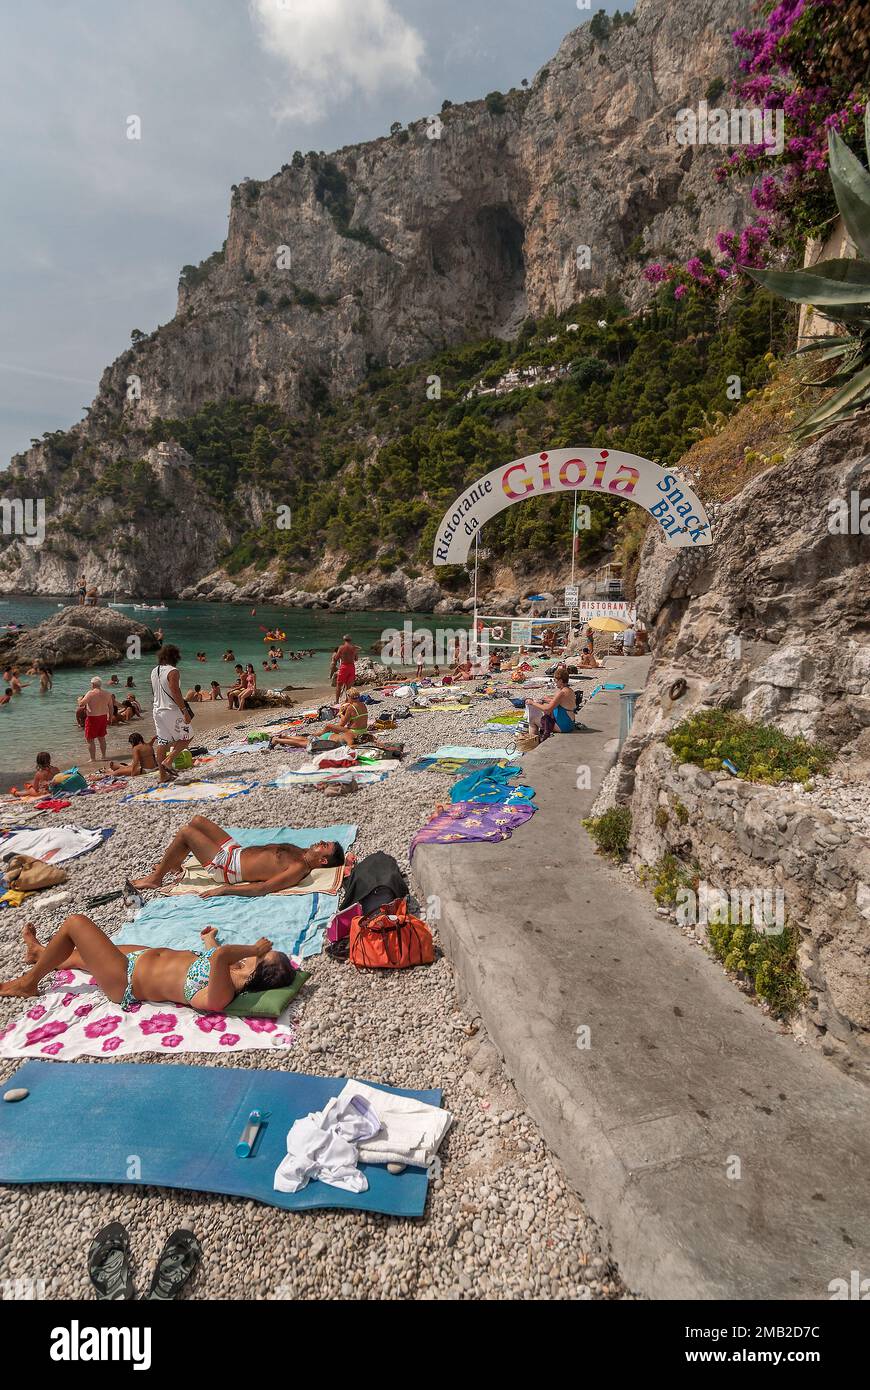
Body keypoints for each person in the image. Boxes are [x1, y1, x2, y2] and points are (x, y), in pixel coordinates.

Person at [0, 919, 294, 1017]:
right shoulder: (230, 966)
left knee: (76, 924)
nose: (257, 951)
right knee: (79, 956)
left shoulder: (222, 995)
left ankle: (28, 983)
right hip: (137, 960)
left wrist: (253, 949)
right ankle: (39, 953)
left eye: (263, 955)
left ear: (257, 973)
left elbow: (218, 959)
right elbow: (216, 954)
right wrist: (209, 939)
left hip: (125, 979)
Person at [130, 816, 344, 895]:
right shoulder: (303, 853)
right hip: (236, 851)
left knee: (187, 833)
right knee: (197, 821)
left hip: (227, 867)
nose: (320, 842)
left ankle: (156, 879)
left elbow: (264, 888)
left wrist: (225, 889)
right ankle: (175, 863)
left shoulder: (299, 868)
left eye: (324, 845)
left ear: (323, 860)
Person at [150, 644, 193, 782]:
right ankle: (169, 761)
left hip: (157, 710)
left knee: (162, 742)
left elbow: (155, 692)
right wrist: (184, 711)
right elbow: (175, 691)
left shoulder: (154, 671)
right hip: (170, 710)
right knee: (188, 735)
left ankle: (162, 776)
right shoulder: (173, 671)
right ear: (175, 656)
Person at [77, 676, 114, 762]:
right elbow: (111, 707)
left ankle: (93, 758)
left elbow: (81, 704)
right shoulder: (107, 693)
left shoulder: (90, 693)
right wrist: (110, 718)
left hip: (92, 718)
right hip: (103, 717)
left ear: (93, 684)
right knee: (102, 738)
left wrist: (79, 699)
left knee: (90, 739)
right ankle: (104, 756)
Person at [335, 634, 358, 705]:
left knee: (339, 685)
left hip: (344, 667)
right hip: (351, 667)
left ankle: (337, 701)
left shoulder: (341, 647)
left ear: (344, 640)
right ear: (350, 640)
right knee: (349, 686)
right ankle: (347, 700)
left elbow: (336, 657)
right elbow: (356, 658)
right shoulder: (354, 648)